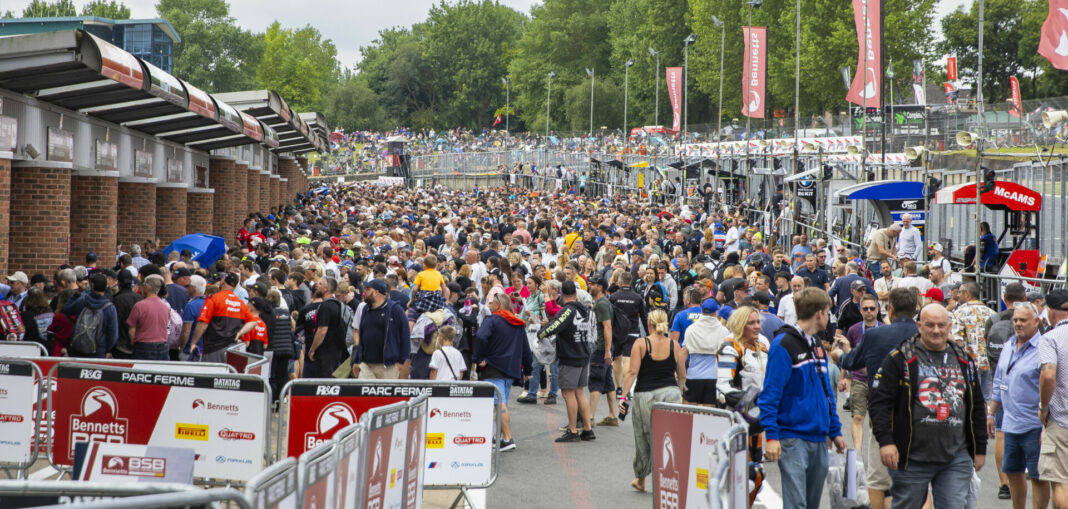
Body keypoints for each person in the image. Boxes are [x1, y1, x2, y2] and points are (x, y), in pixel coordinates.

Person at [868, 304, 987, 509]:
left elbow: (976, 405)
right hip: (911, 457)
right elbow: (879, 403)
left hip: (955, 457)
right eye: (930, 325)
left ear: (949, 326)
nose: (936, 330)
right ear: (919, 326)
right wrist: (886, 441)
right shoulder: (900, 358)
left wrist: (980, 448)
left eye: (941, 325)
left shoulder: (963, 360)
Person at [758, 287, 847, 509]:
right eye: (827, 312)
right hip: (792, 437)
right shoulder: (783, 344)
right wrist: (771, 436)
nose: (829, 317)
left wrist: (835, 431)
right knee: (796, 504)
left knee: (811, 505)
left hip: (818, 438)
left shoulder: (816, 344)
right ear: (819, 313)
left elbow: (826, 392)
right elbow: (770, 394)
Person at [832, 288, 919, 509]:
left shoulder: (876, 335)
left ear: (890, 310)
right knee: (918, 484)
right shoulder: (925, 335)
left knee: (879, 481)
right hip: (921, 416)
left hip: (884, 415)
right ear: (916, 309)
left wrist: (839, 356)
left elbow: (851, 361)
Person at [989, 302, 1050, 509]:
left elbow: (1051, 384)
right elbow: (999, 379)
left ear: (1036, 321)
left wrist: (1046, 421)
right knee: (1013, 473)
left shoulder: (1044, 347)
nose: (1018, 324)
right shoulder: (1009, 345)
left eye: (1023, 320)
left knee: (1038, 476)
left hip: (1034, 425)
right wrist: (991, 412)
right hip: (1010, 424)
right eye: (1015, 320)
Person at [622, 309, 688, 492]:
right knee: (671, 438)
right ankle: (673, 478)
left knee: (644, 437)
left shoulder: (641, 343)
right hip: (671, 393)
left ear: (648, 323)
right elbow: (682, 374)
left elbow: (632, 372)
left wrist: (623, 396)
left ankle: (641, 479)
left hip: (646, 394)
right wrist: (679, 391)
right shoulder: (674, 345)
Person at [473, 292, 532, 452]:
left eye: (491, 303)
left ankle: (507, 438)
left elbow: (480, 337)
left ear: (498, 305)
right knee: (500, 401)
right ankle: (498, 437)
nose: (489, 305)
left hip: (493, 368)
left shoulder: (492, 320)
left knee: (499, 403)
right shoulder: (518, 324)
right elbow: (526, 349)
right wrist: (528, 369)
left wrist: (478, 358)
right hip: (511, 369)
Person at [539, 281, 596, 443]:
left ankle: (572, 430)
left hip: (571, 356)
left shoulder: (568, 310)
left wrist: (541, 333)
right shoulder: (585, 310)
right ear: (576, 294)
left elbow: (553, 327)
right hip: (584, 354)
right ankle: (587, 429)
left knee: (568, 393)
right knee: (579, 392)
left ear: (562, 294)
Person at [717, 305, 769, 460]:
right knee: (737, 465)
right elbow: (723, 388)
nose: (757, 326)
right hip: (735, 418)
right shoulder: (730, 347)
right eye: (751, 323)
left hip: (756, 417)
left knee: (756, 463)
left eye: (758, 322)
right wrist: (753, 399)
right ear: (740, 324)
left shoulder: (762, 347)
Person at [837, 293, 882, 454]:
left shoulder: (884, 329)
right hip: (859, 379)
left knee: (876, 421)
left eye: (872, 308)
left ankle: (875, 455)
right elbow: (848, 355)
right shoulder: (854, 330)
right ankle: (857, 455)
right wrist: (842, 378)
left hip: (879, 381)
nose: (869, 311)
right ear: (860, 310)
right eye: (865, 308)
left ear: (877, 310)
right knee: (857, 417)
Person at [1037, 289, 1068, 509]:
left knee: (1061, 481)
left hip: (1061, 420)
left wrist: (1043, 406)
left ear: (1050, 311)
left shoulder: (1050, 338)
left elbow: (1048, 375)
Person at [190, 272, 260, 363]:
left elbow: (203, 323)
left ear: (222, 281)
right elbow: (253, 322)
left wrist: (194, 342)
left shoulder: (214, 298)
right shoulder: (240, 303)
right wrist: (239, 333)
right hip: (232, 349)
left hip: (213, 348)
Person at [353, 279, 411, 379]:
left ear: (376, 292)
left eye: (368, 289)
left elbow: (405, 335)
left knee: (386, 390)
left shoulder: (395, 309)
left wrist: (401, 361)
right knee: (364, 389)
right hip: (366, 364)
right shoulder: (365, 309)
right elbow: (361, 335)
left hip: (388, 366)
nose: (364, 292)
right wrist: (357, 359)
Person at [952, 282, 997, 398]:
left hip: (969, 363)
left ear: (967, 294)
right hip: (989, 363)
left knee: (972, 399)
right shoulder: (992, 313)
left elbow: (957, 340)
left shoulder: (959, 313)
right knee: (986, 399)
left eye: (959, 292)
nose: (957, 295)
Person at [684, 298, 730, 406]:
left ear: (702, 310)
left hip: (693, 376)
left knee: (690, 411)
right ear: (716, 312)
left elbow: (684, 352)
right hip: (713, 377)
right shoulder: (724, 331)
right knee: (709, 412)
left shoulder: (690, 329)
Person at [586, 276, 619, 426]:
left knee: (595, 381)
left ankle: (589, 417)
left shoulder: (602, 304)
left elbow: (607, 326)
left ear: (600, 287)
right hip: (603, 348)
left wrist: (606, 351)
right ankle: (612, 416)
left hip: (600, 349)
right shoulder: (600, 303)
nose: (590, 286)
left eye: (592, 284)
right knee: (608, 382)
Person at [62, 272, 119, 359]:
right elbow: (113, 334)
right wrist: (108, 350)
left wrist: (77, 293)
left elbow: (66, 309)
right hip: (98, 351)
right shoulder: (110, 308)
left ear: (92, 285)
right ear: (106, 286)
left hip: (78, 349)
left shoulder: (82, 301)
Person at [609, 272, 647, 392]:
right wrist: (649, 333)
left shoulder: (613, 297)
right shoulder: (637, 297)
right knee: (627, 359)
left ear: (620, 282)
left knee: (617, 358)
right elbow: (644, 317)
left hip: (617, 332)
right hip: (632, 331)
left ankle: (619, 387)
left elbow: (609, 316)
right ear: (630, 282)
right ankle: (626, 389)